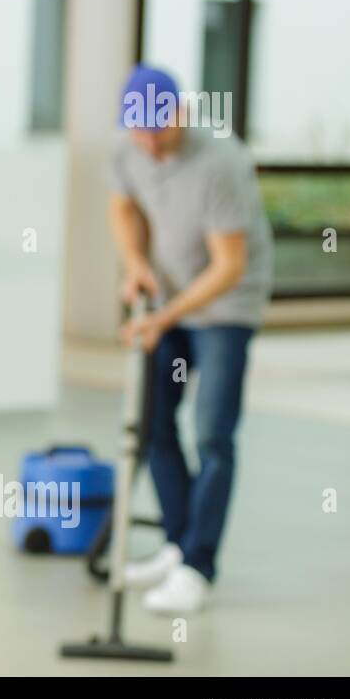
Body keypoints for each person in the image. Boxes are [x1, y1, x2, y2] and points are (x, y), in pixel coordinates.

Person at [107, 64, 273, 613]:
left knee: (212, 436)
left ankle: (199, 566)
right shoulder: (129, 149)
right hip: (171, 300)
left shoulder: (221, 163)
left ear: (180, 114)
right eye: (140, 132)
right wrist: (134, 264)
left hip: (227, 304)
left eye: (160, 130)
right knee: (153, 425)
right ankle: (179, 546)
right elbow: (122, 204)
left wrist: (161, 317)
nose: (150, 144)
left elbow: (229, 266)